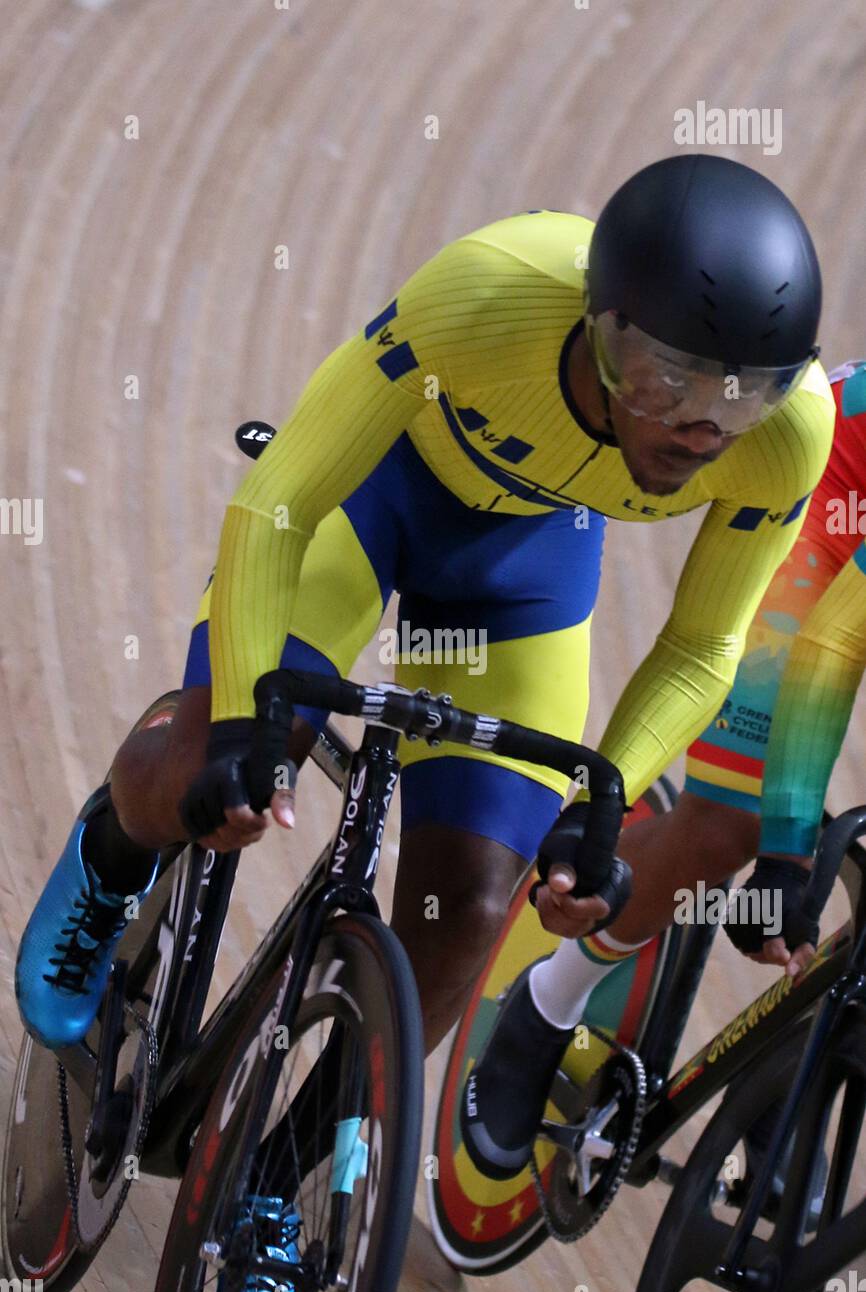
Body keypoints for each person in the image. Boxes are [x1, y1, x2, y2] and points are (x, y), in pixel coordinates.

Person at [16, 153, 830, 1172]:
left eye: (741, 398)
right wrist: (235, 723)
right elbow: (282, 501)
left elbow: (702, 642)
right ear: (600, 329)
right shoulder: (490, 291)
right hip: (374, 499)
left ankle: (280, 1185)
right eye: (664, 381)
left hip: (524, 573)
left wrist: (603, 800)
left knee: (471, 912)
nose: (698, 429)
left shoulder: (790, 435)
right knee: (202, 765)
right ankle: (112, 856)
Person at [464, 361, 866, 1182]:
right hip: (831, 505)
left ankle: (786, 1075)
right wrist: (788, 854)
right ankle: (546, 1002)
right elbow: (830, 649)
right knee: (733, 824)